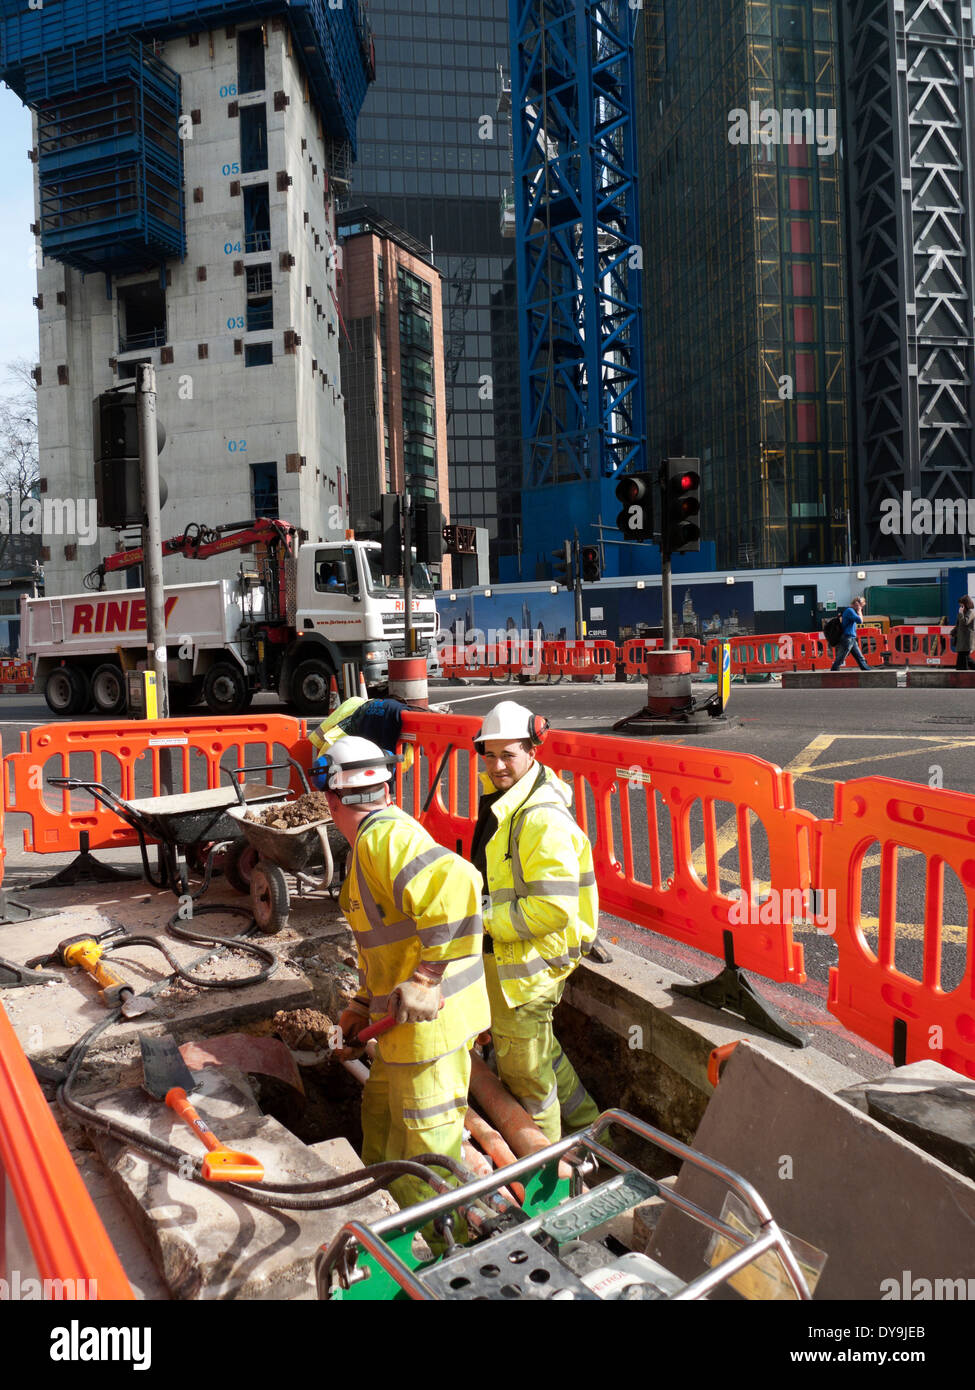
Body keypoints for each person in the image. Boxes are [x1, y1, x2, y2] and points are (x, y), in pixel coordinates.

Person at [320, 737, 489, 1215]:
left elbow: (459, 883)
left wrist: (428, 978)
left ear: (331, 799)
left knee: (426, 1158)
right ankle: (386, 1219)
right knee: (379, 1134)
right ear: (386, 788)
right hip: (398, 1035)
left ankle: (441, 1247)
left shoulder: (382, 838)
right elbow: (386, 947)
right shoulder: (371, 844)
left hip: (429, 1036)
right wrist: (359, 1005)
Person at [471, 700, 600, 1143]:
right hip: (515, 959)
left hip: (527, 968)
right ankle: (591, 1127)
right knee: (541, 1053)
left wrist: (483, 921)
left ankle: (545, 1171)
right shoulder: (509, 800)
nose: (497, 764)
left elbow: (551, 909)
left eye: (508, 754)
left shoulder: (540, 818)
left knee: (527, 1079)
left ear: (532, 752)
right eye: (489, 754)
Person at [831, 595, 869, 671]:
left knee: (859, 657)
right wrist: (859, 611)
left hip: (851, 638)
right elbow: (860, 621)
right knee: (841, 657)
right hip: (847, 638)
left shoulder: (849, 611)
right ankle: (833, 672)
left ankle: (866, 670)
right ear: (857, 604)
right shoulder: (850, 611)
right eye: (861, 606)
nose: (861, 608)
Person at [955, 595, 975, 670]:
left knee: (964, 657)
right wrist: (953, 633)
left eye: (961, 604)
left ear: (966, 604)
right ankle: (961, 670)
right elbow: (958, 625)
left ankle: (962, 670)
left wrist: (960, 613)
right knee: (963, 657)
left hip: (967, 639)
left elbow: (965, 622)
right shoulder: (962, 613)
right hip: (961, 639)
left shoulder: (971, 613)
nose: (960, 606)